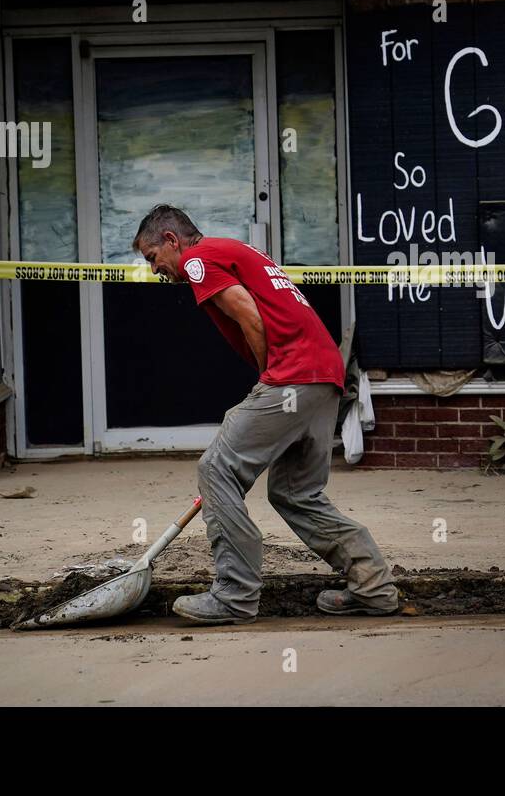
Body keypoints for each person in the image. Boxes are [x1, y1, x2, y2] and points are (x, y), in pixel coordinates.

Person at [131, 204, 399, 624]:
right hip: (323, 377)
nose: (155, 270)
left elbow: (248, 314)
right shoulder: (232, 249)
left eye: (152, 258)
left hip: (293, 377)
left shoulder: (199, 259)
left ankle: (234, 595)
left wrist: (268, 378)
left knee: (218, 468)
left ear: (171, 240)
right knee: (295, 493)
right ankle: (373, 587)